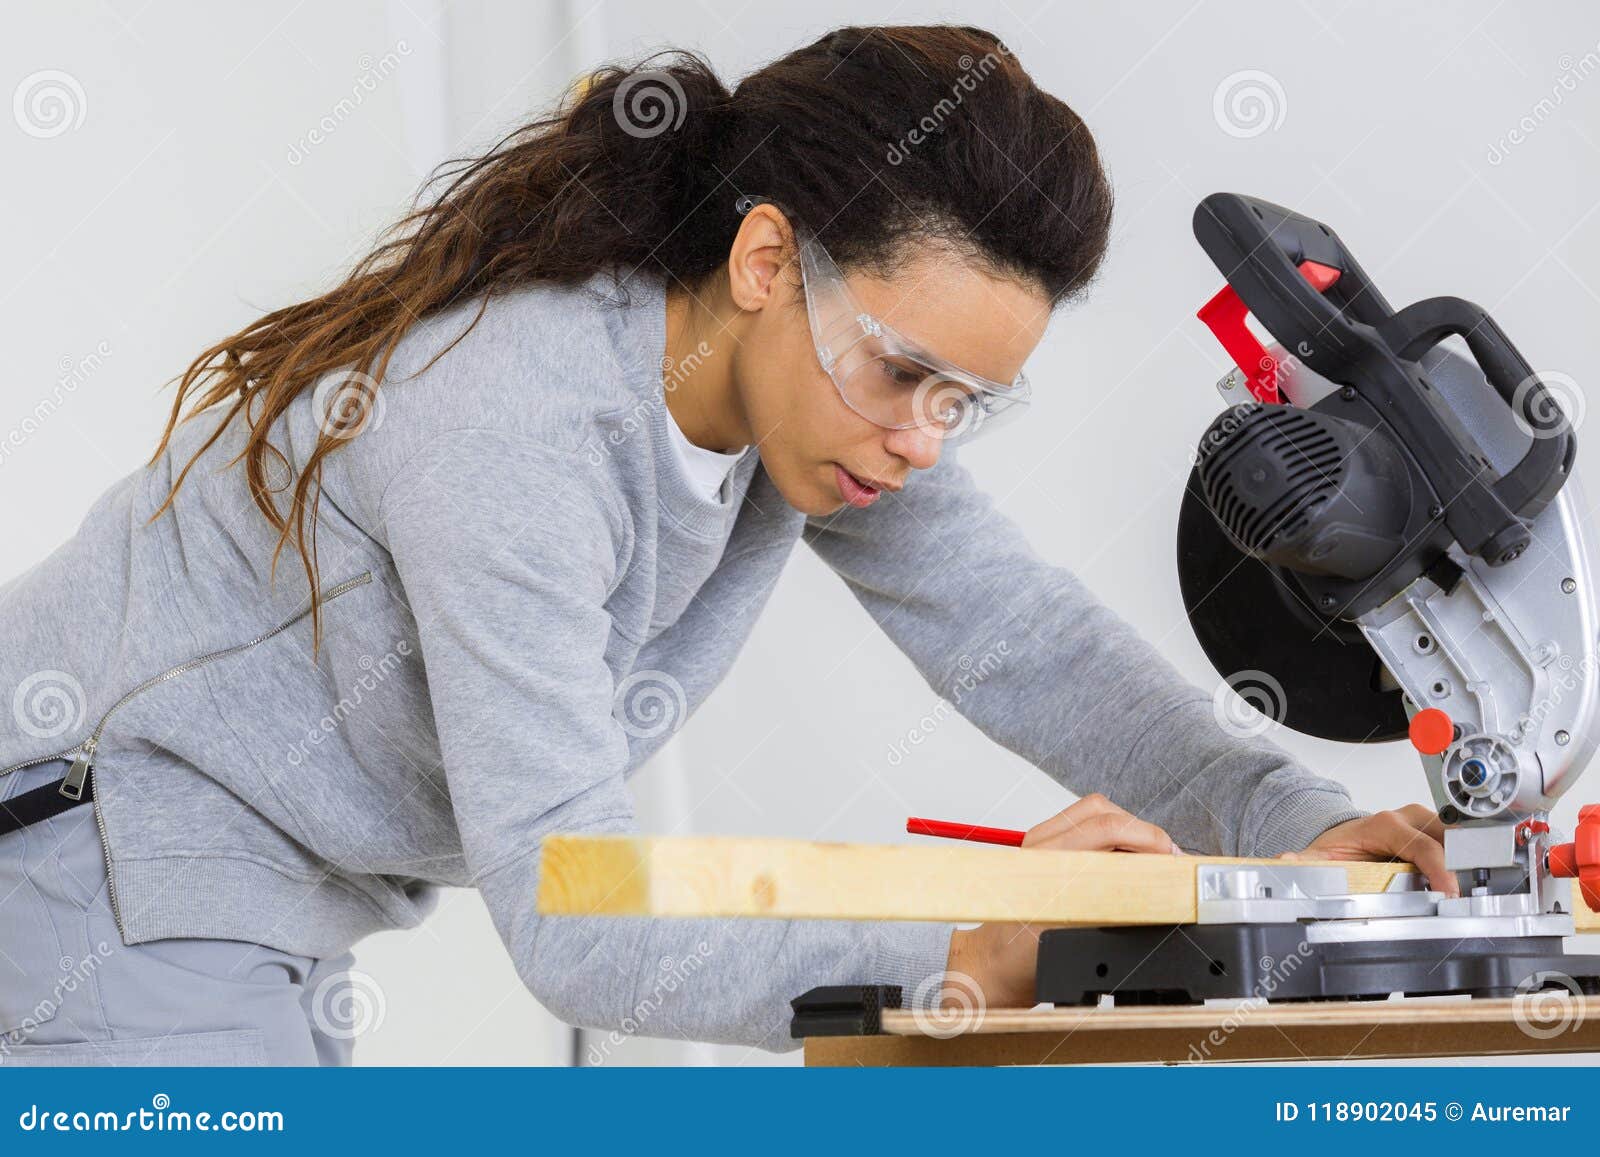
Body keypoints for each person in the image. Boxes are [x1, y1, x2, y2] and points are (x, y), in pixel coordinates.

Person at [0, 24, 1455, 1066]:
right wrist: (970, 951)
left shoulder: (812, 403)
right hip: (101, 851)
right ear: (767, 262)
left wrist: (1287, 823)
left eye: (968, 400)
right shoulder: (516, 422)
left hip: (250, 895)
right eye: (905, 375)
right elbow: (581, 923)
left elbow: (1022, 639)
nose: (924, 439)